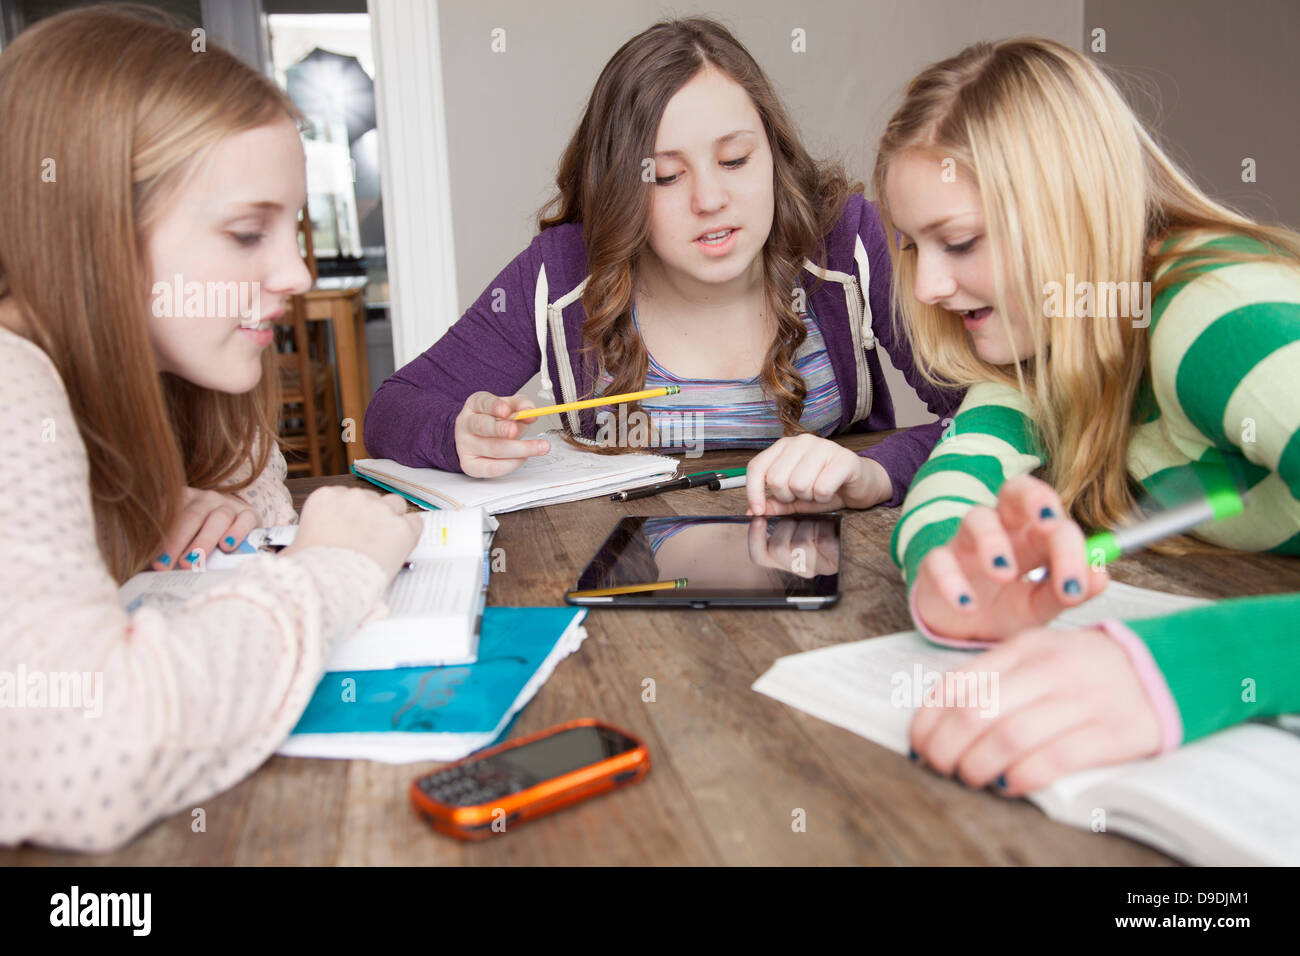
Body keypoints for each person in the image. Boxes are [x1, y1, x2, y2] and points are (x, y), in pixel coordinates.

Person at [0, 6, 421, 852]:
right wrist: (333, 568)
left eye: (292, 228)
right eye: (244, 233)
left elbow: (256, 508)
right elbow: (84, 747)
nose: (297, 271)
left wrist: (171, 510)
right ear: (94, 233)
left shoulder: (189, 376)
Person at [873, 37, 1300, 794]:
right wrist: (954, 578)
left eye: (961, 241)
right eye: (913, 248)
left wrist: (1180, 668)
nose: (931, 285)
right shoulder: (1042, 354)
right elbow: (954, 483)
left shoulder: (1218, 321)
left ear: (1069, 213)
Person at [363, 17, 961, 514]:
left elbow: (993, 414)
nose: (709, 200)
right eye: (667, 175)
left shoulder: (850, 243)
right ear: (623, 186)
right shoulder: (560, 274)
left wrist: (873, 475)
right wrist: (458, 434)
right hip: (628, 568)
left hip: (827, 558)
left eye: (734, 160)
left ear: (773, 154)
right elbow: (392, 408)